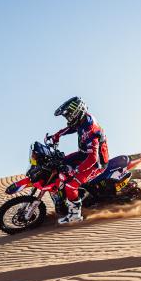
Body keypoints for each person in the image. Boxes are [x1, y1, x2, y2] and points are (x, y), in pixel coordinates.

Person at [47, 96, 109, 224]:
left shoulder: (91, 130)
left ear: (76, 112)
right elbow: (72, 128)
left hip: (96, 163)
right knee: (60, 163)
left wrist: (75, 170)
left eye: (68, 115)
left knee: (71, 184)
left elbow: (92, 159)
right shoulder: (81, 120)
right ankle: (63, 199)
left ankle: (75, 215)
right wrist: (57, 135)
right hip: (83, 155)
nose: (67, 118)